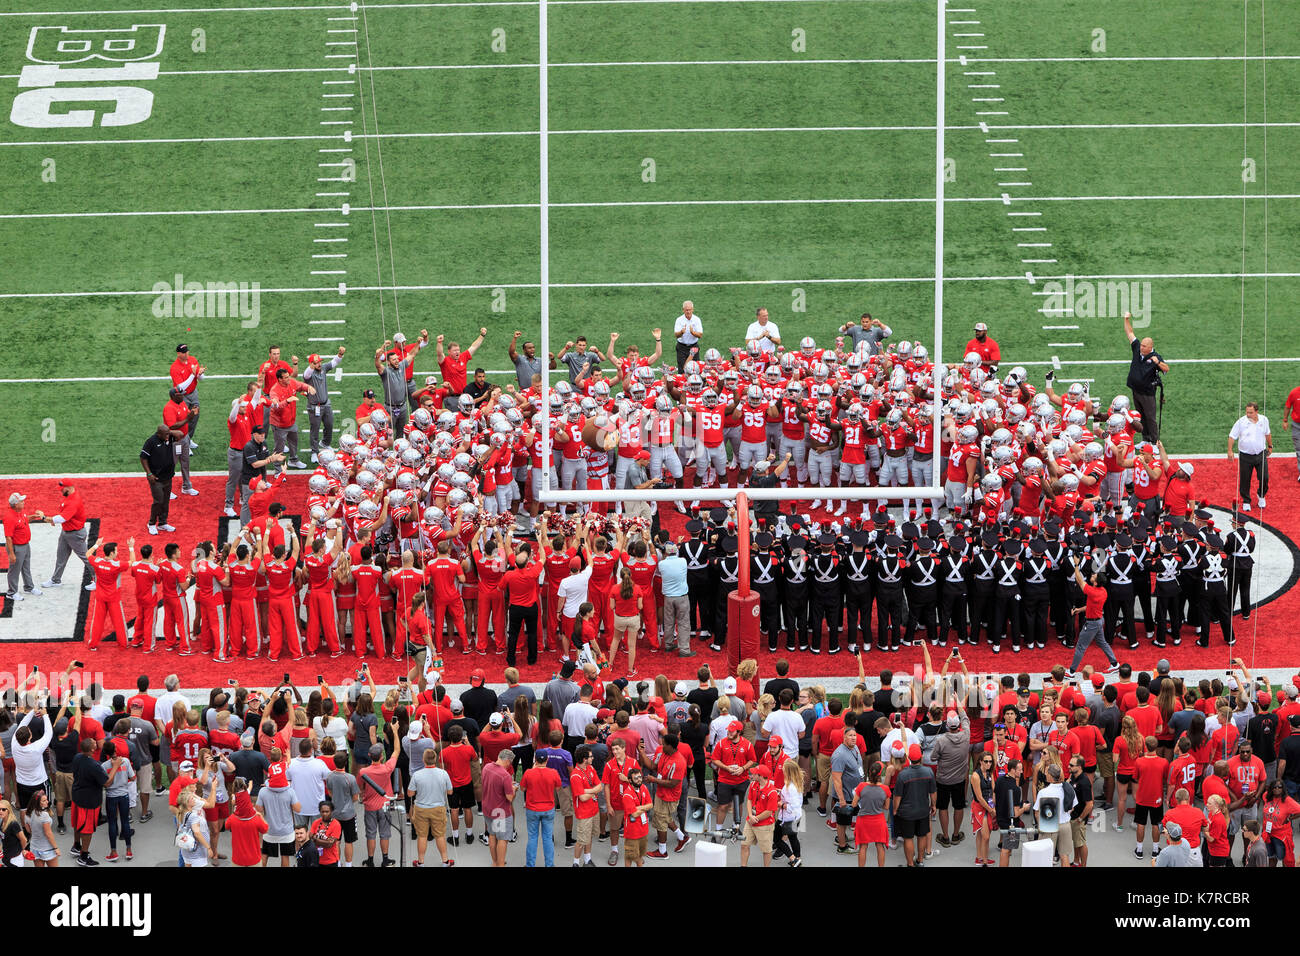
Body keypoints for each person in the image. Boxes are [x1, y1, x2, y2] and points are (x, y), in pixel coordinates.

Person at [36, 479, 92, 591]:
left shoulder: (73, 502)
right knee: (61, 556)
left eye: (62, 489)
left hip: (75, 535)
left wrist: (44, 517)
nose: (61, 491)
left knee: (87, 557)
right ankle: (56, 580)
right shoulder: (70, 497)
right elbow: (62, 517)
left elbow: (61, 518)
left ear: (69, 488)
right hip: (66, 532)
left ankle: (99, 579)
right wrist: (53, 521)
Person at [1124, 310, 1168, 442]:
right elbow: (1130, 333)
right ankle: (1145, 439)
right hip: (1135, 389)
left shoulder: (1156, 357)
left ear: (1150, 347)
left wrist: (1158, 362)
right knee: (1141, 416)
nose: (1141, 348)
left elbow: (1166, 369)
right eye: (1141, 345)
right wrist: (1126, 319)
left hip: (1147, 393)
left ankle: (1155, 442)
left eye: (1144, 346)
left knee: (1150, 418)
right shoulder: (1137, 348)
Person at [892, 743, 937, 867]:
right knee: (922, 836)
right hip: (923, 811)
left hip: (906, 813)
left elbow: (897, 796)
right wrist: (934, 805)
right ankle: (920, 860)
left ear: (909, 758)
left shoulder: (903, 775)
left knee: (908, 838)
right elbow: (933, 792)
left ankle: (910, 864)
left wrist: (895, 810)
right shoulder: (928, 772)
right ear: (921, 757)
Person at [302, 348, 345, 462]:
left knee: (329, 424)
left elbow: (334, 362)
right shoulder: (309, 374)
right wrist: (312, 365)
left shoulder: (323, 368)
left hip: (326, 404)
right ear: (311, 364)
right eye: (316, 362)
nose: (319, 364)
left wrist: (340, 354)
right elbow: (306, 374)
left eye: (320, 361)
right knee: (315, 429)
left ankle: (325, 442)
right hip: (314, 406)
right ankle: (314, 451)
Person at [521, 750, 562, 867]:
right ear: (547, 760)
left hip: (532, 809)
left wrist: (533, 769)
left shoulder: (529, 773)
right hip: (548, 808)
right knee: (548, 838)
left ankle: (530, 864)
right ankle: (549, 864)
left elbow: (523, 788)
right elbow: (558, 788)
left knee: (532, 838)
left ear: (535, 759)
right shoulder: (553, 772)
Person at [1228, 400, 1271, 511]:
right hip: (1245, 456)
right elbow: (1232, 436)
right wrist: (1230, 451)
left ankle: (1261, 495)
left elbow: (1267, 433)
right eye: (1247, 412)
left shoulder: (1264, 420)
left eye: (1251, 412)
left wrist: (1270, 446)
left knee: (1264, 477)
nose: (1248, 415)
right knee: (1245, 479)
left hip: (1261, 454)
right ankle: (1246, 500)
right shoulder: (1241, 422)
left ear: (1256, 412)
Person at [481, 749, 517, 867]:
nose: (509, 765)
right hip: (500, 811)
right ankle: (501, 864)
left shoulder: (486, 767)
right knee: (502, 839)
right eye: (510, 763)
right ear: (507, 761)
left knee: (492, 835)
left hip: (487, 808)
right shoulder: (505, 775)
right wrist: (513, 789)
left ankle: (495, 862)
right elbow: (510, 798)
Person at [3, 492, 38, 602]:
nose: (24, 502)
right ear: (15, 504)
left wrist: (34, 517)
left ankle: (29, 587)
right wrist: (12, 554)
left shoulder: (20, 512)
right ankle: (11, 592)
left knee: (26, 567)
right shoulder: (9, 517)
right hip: (17, 547)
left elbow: (24, 519)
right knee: (14, 570)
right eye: (21, 501)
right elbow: (8, 537)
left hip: (25, 545)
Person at [673, 300, 703, 370]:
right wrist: (681, 332)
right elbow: (676, 335)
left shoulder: (697, 320)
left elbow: (700, 335)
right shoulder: (679, 320)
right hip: (682, 348)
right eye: (686, 310)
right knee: (682, 369)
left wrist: (693, 333)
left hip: (694, 347)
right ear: (683, 310)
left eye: (689, 310)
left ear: (693, 309)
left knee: (696, 369)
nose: (688, 312)